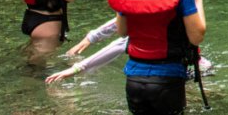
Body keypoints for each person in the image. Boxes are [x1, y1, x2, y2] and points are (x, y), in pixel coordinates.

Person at [44, 17, 212, 84]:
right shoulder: (180, 6)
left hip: (183, 72)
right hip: (194, 67)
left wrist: (78, 67)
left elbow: (121, 38)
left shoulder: (144, 22)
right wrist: (91, 37)